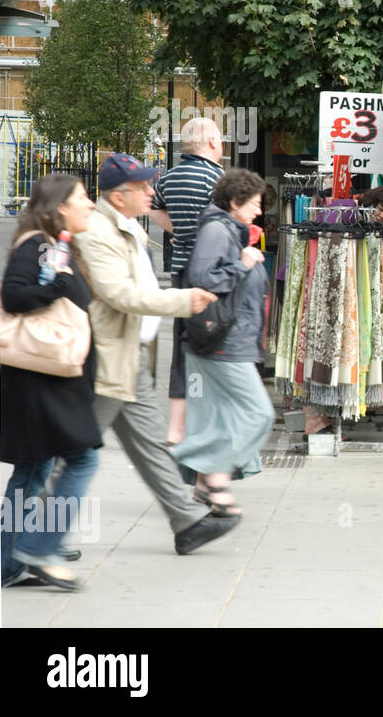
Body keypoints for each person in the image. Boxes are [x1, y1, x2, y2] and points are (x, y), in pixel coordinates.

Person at [73, 153, 243, 554]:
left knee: (150, 445)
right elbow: (120, 295)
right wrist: (183, 300)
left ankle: (186, 521)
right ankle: (36, 535)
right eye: (145, 187)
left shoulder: (125, 226)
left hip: (132, 357)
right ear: (118, 197)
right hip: (109, 360)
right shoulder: (98, 232)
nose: (153, 191)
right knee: (75, 450)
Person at [0, 175, 101, 589]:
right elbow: (15, 295)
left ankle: (9, 563)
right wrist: (58, 285)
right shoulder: (39, 245)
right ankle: (40, 548)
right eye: (82, 198)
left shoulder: (53, 243)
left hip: (44, 378)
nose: (90, 204)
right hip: (41, 380)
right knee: (81, 458)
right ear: (60, 205)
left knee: (33, 470)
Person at [171, 168, 275, 516]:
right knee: (258, 413)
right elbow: (203, 278)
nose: (258, 211)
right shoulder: (218, 230)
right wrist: (244, 264)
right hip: (223, 342)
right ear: (234, 201)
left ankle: (204, 483)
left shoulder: (227, 229)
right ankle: (214, 476)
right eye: (254, 203)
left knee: (219, 416)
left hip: (227, 340)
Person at [149, 116, 225, 447]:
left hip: (181, 271)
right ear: (209, 142)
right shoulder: (219, 179)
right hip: (210, 274)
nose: (222, 146)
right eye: (220, 139)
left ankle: (176, 427)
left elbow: (153, 210)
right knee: (212, 343)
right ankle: (206, 419)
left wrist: (179, 229)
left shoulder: (168, 177)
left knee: (182, 346)